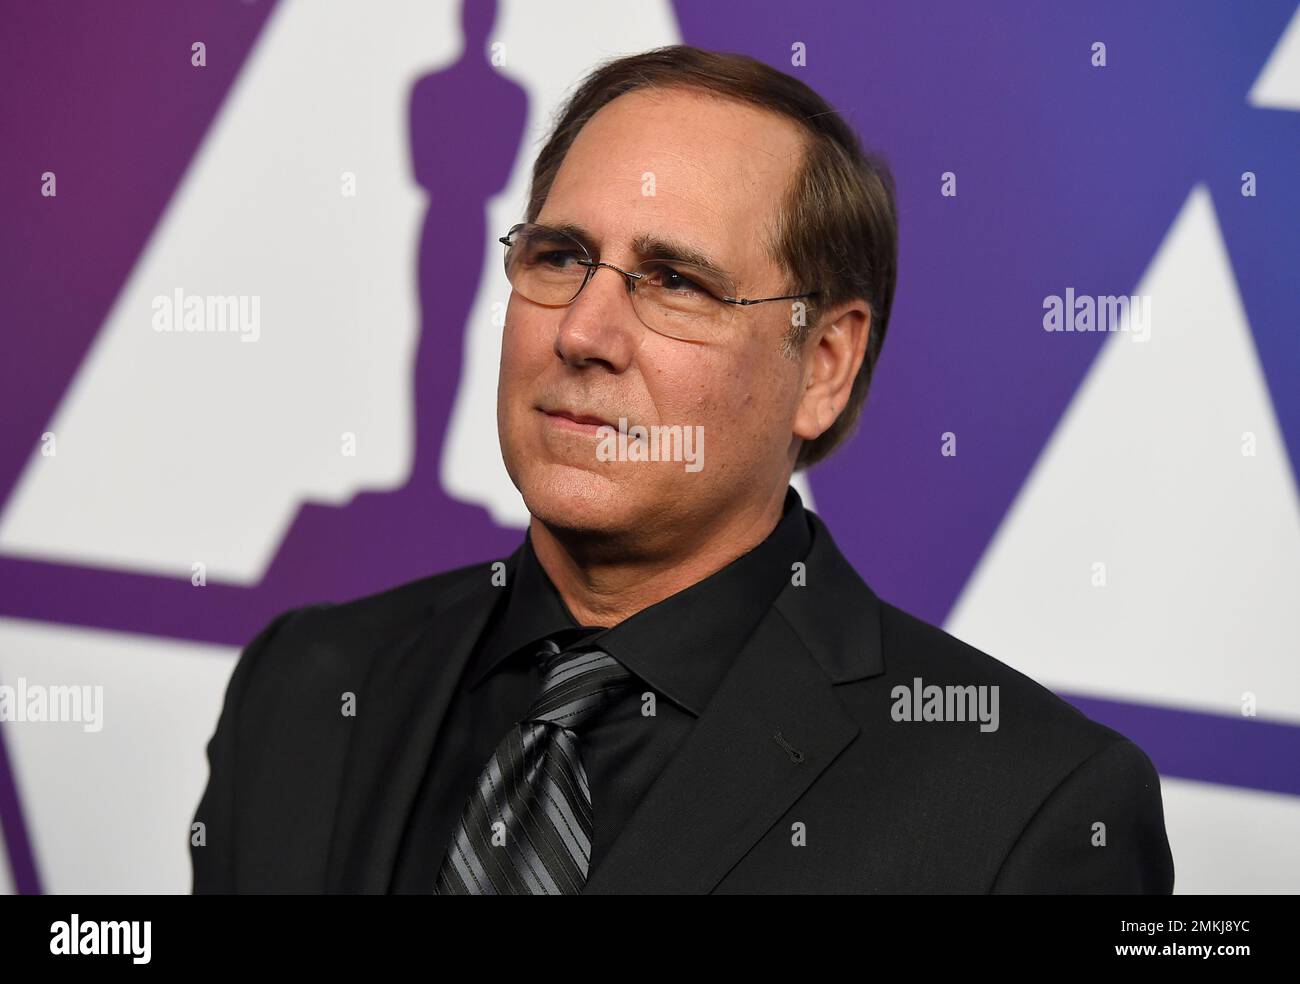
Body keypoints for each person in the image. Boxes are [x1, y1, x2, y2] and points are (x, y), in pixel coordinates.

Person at [191, 44, 1174, 894]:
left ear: (822, 365)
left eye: (675, 282)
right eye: (558, 256)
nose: (581, 331)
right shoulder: (306, 686)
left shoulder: (1029, 810)